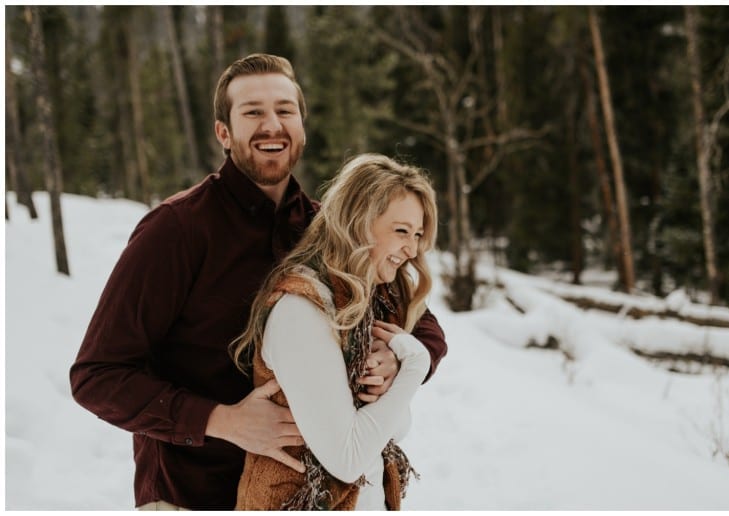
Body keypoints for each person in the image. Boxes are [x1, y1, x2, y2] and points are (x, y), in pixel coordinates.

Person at [69, 53, 447, 510]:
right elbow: (98, 375)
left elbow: (420, 318)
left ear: (302, 126)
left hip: (296, 500)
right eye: (253, 112)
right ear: (223, 133)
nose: (273, 125)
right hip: (192, 495)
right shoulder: (176, 230)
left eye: (285, 110)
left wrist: (397, 353)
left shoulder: (325, 229)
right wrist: (220, 420)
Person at [232, 153, 437, 510]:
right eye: (401, 230)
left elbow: (390, 424)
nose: (412, 248)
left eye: (418, 234)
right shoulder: (302, 308)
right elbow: (348, 458)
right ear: (358, 222)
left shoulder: (363, 304)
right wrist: (414, 362)